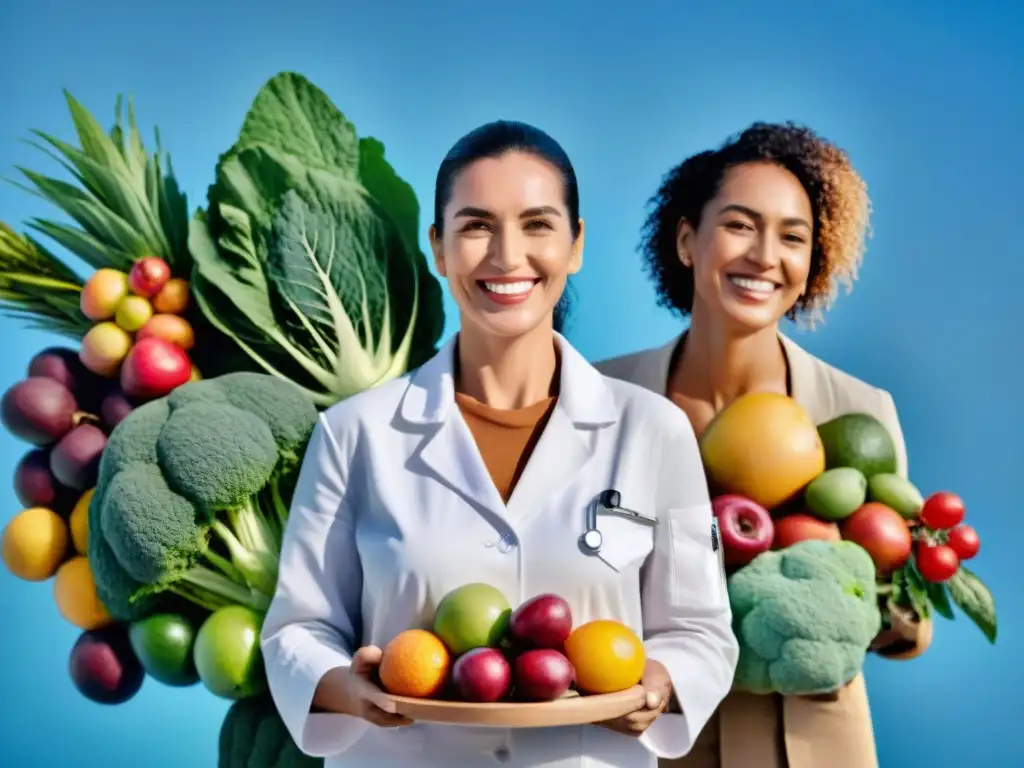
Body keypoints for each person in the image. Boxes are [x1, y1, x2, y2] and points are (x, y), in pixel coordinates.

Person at [260, 119, 739, 768]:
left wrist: (658, 685)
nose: (507, 256)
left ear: (576, 245)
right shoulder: (353, 434)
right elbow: (298, 626)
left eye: (538, 224)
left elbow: (700, 630)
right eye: (476, 225)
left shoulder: (653, 431)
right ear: (438, 247)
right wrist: (348, 687)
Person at [594, 122, 932, 768]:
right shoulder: (599, 396)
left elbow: (905, 621)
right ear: (688, 239)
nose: (764, 255)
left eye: (793, 237)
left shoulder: (859, 412)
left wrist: (867, 589)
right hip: (640, 738)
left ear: (813, 265)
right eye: (741, 225)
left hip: (806, 747)